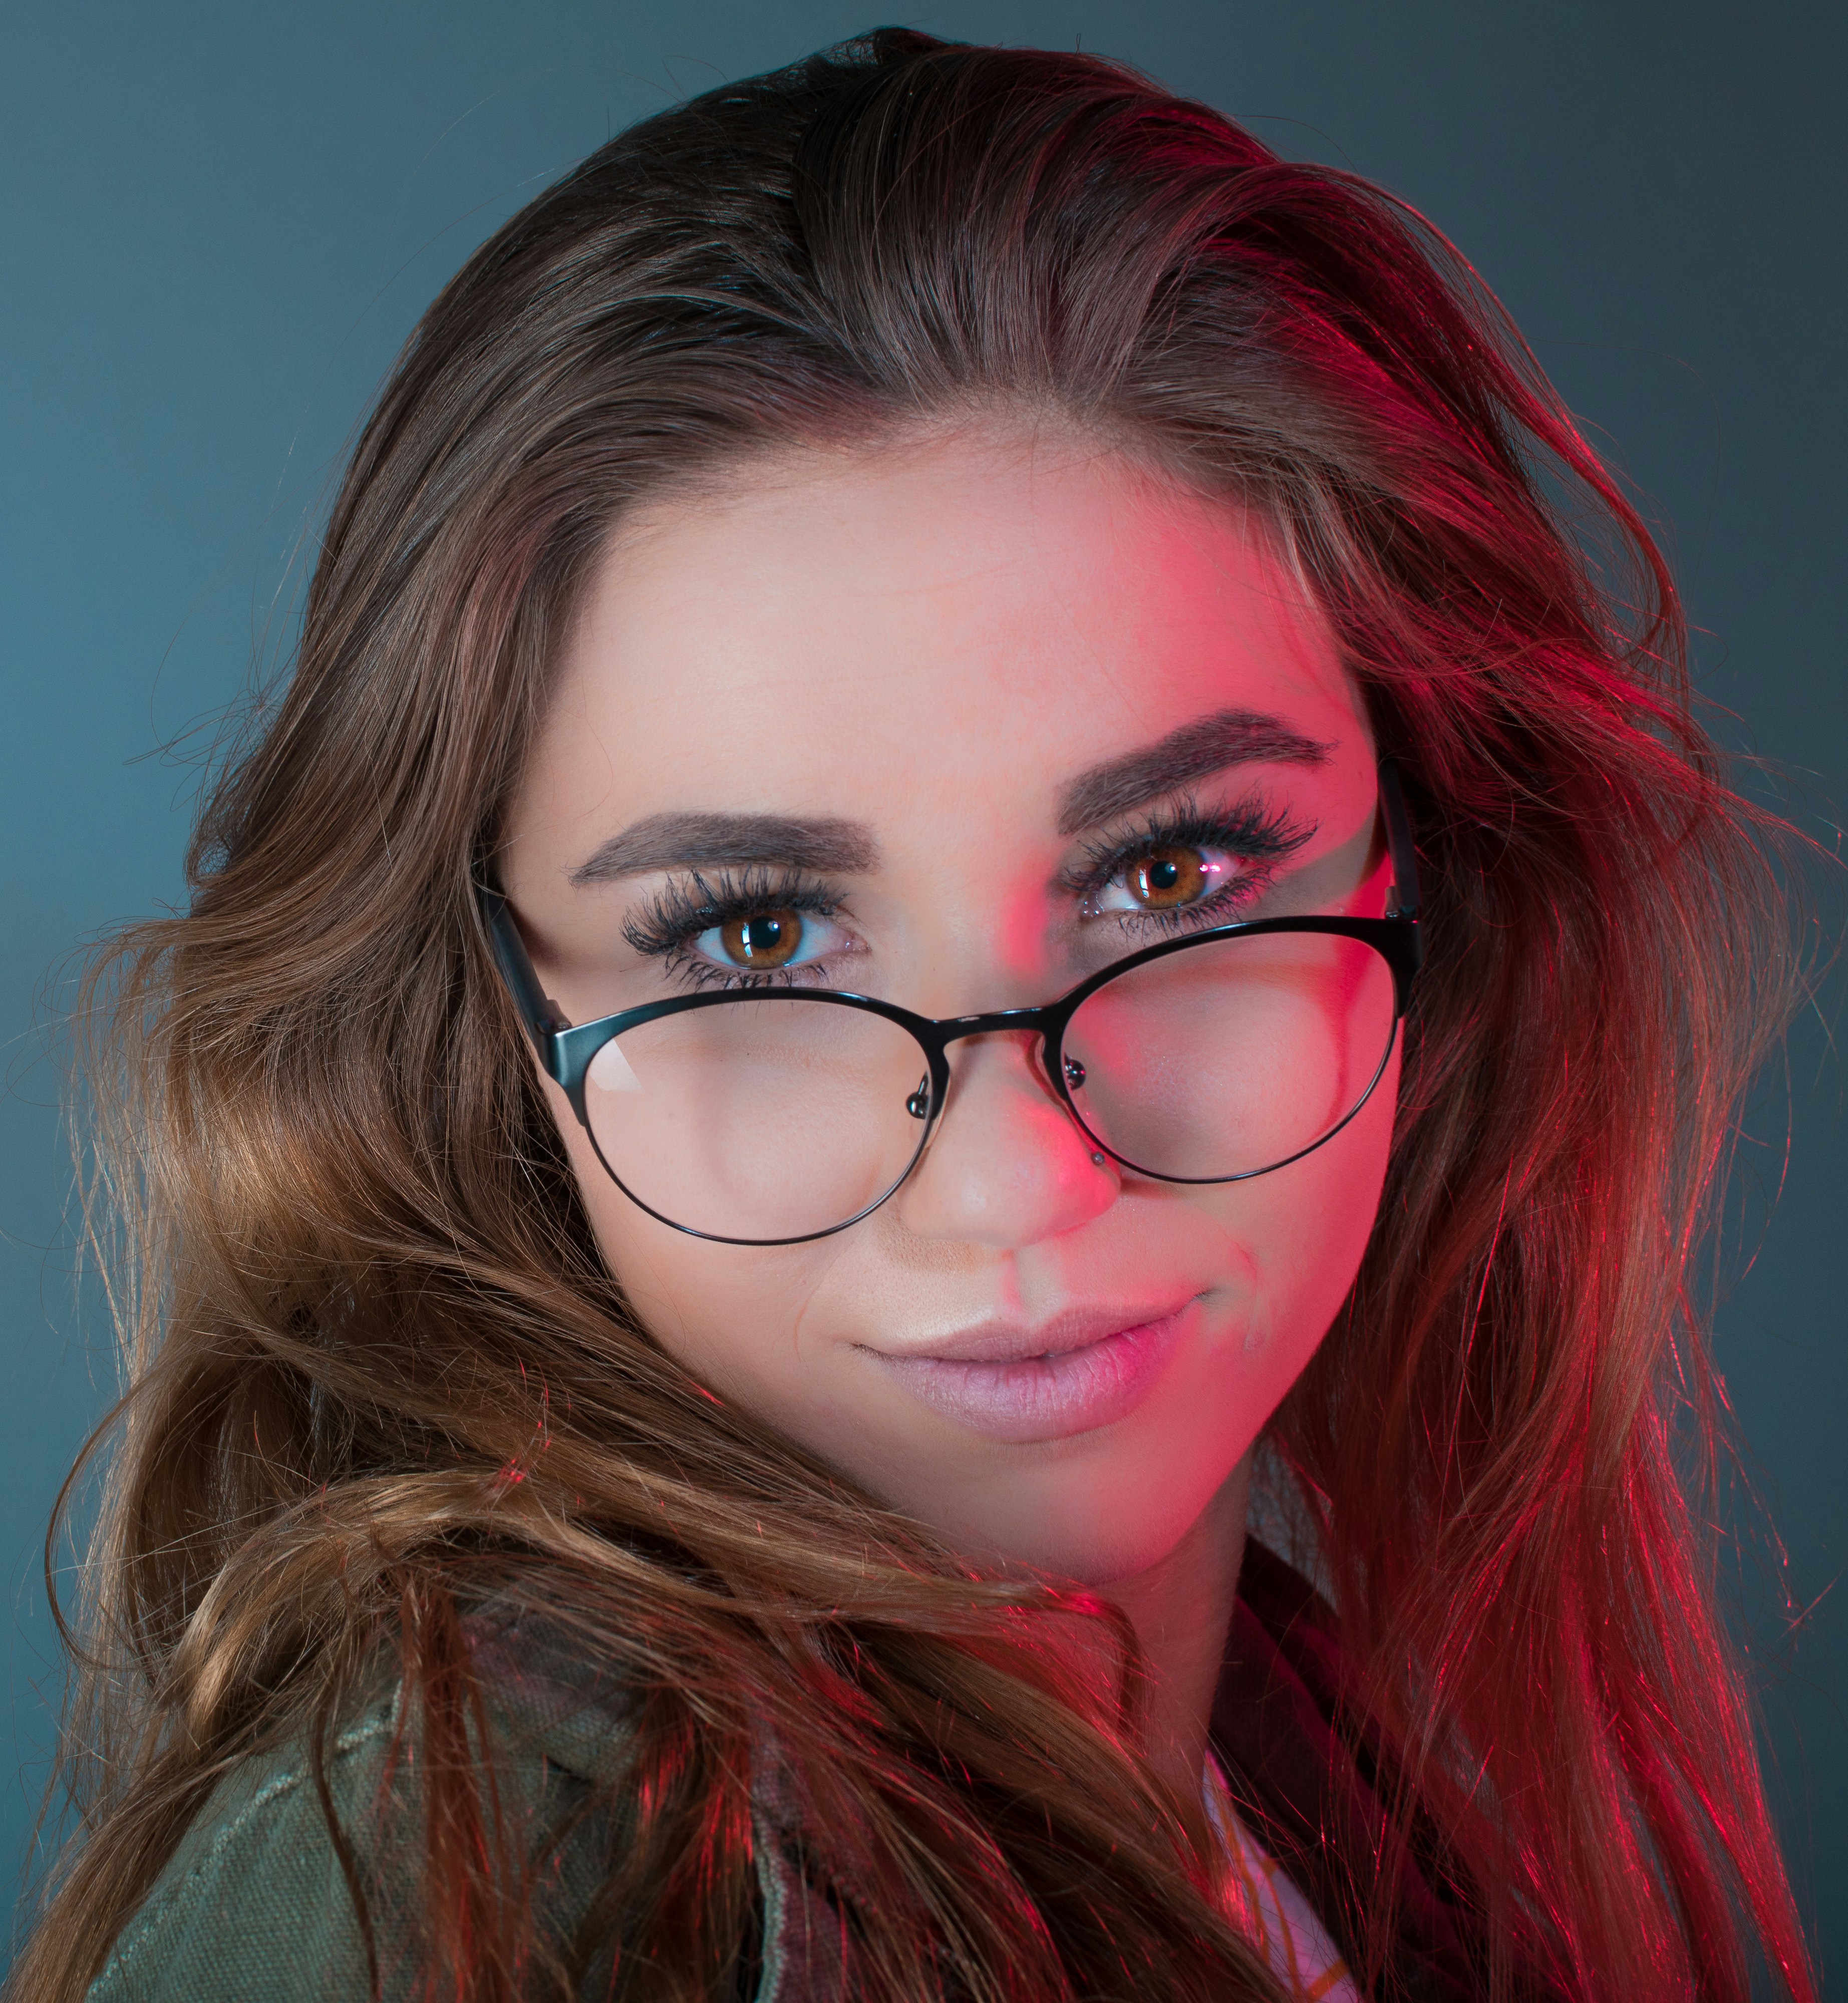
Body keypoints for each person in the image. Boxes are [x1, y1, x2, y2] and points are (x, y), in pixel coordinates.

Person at [10, 28, 1819, 2003]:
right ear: (503, 1026)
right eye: (761, 934)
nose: (1016, 1180)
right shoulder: (493, 1884)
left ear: (1427, 870)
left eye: (1174, 874)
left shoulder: (1295, 1791)